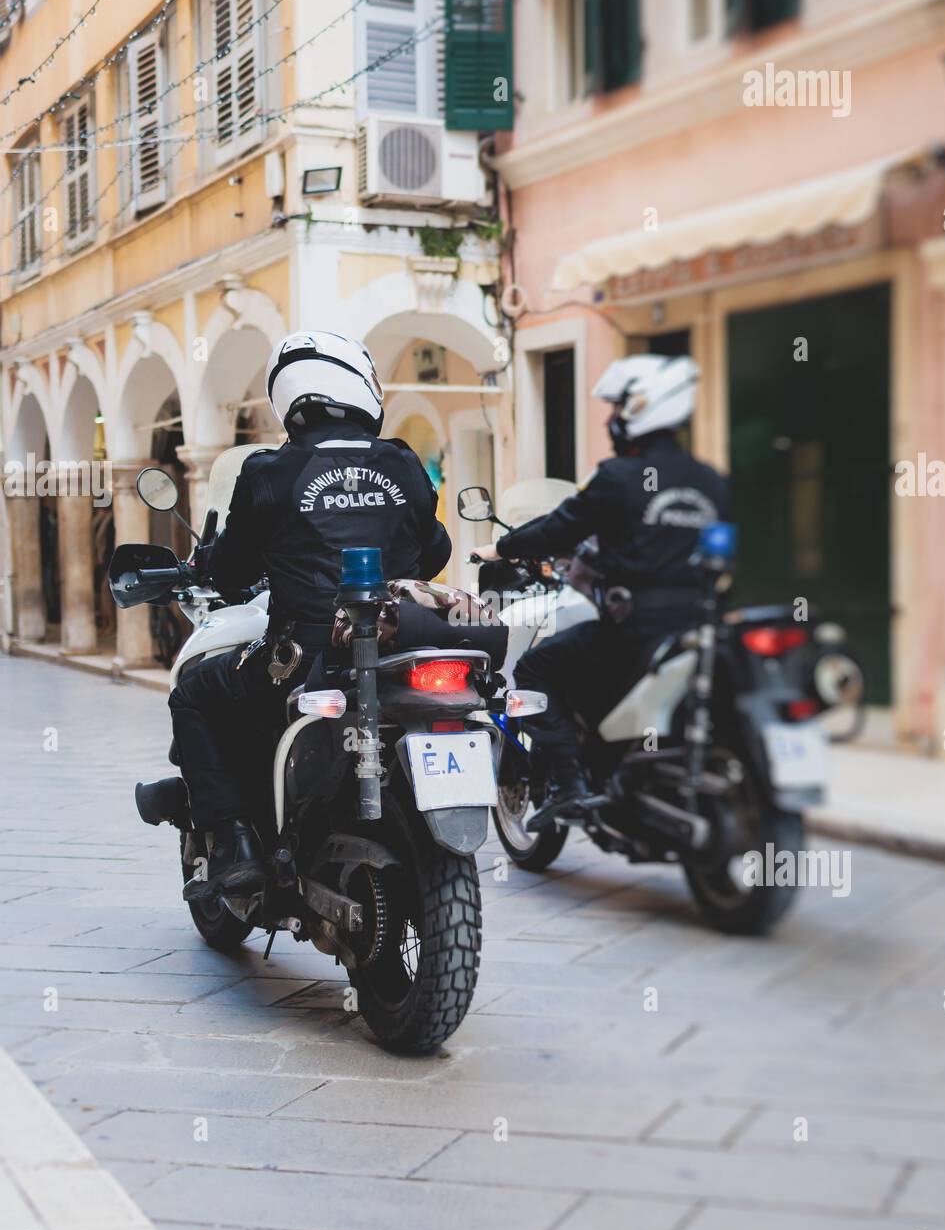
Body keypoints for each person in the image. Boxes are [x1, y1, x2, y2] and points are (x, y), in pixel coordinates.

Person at [168, 330, 451, 897]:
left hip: (304, 658)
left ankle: (233, 842)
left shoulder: (269, 473)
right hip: (402, 649)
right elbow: (434, 551)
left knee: (194, 693)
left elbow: (228, 571)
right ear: (357, 383)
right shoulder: (400, 460)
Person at [472, 355, 728, 830]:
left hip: (636, 629)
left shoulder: (617, 477)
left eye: (617, 408)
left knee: (532, 669)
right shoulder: (710, 480)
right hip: (700, 626)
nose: (611, 419)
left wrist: (501, 548)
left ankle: (570, 786)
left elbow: (559, 527)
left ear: (642, 407)